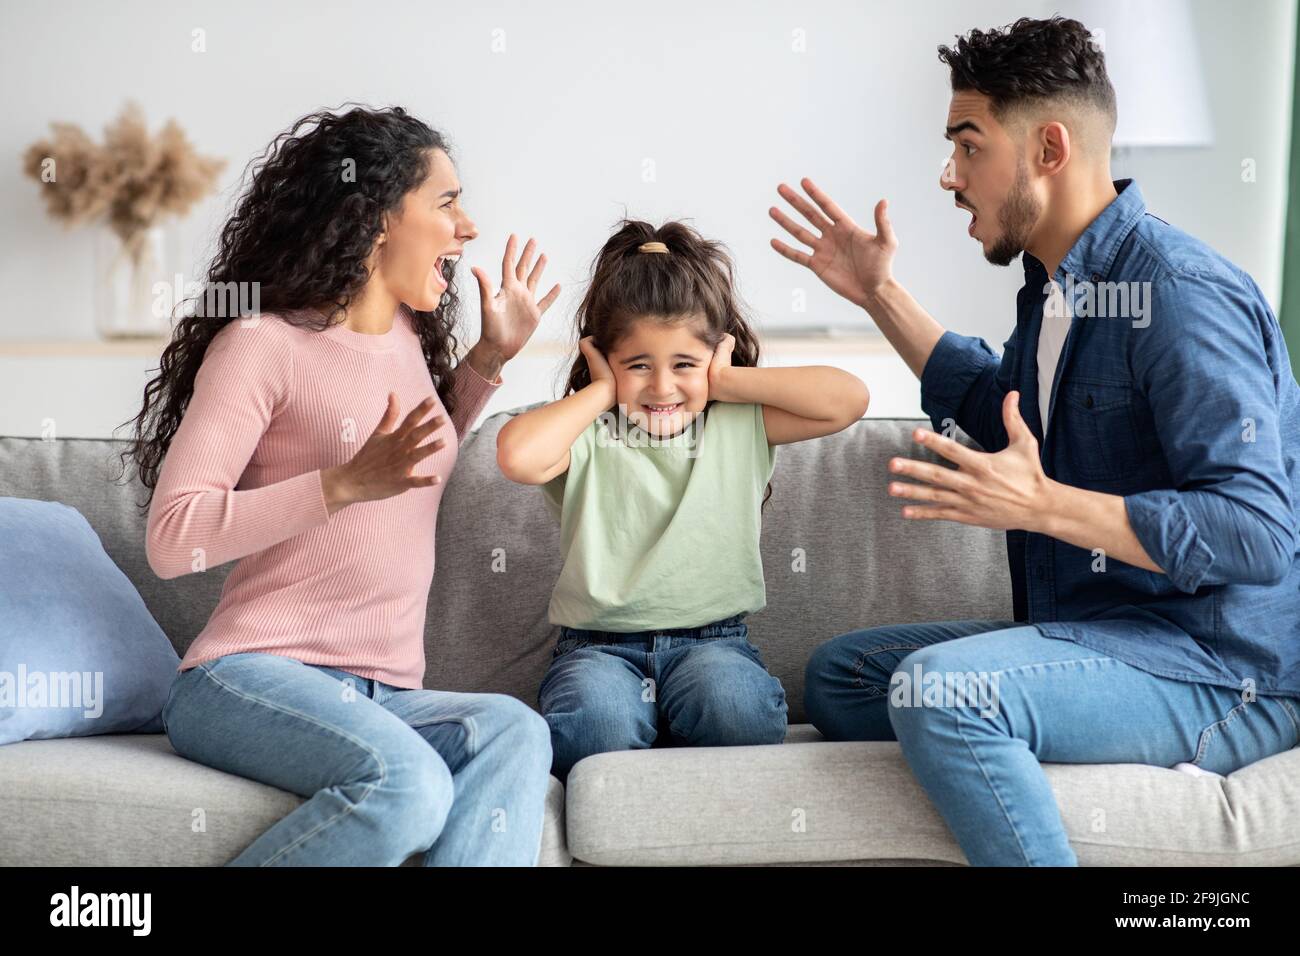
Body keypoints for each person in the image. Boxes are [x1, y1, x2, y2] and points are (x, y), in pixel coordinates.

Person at [771, 17, 1300, 865]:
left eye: (968, 147)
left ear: (1048, 147)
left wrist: (1047, 506)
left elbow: (1259, 534)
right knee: (842, 676)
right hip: (1103, 636)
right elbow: (996, 405)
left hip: (1221, 670)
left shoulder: (1181, 296)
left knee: (941, 694)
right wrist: (879, 295)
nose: (949, 177)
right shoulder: (1059, 293)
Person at [121, 105, 557, 866]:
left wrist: (488, 359)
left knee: (516, 730)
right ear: (379, 216)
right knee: (410, 784)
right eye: (448, 203)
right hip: (247, 677)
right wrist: (341, 484)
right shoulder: (262, 345)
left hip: (382, 691)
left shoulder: (406, 342)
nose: (469, 227)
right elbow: (172, 538)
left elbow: (413, 463)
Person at [496, 219, 871, 780]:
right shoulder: (589, 436)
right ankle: (649, 722)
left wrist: (724, 383)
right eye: (638, 366)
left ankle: (671, 720)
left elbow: (849, 399)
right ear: (604, 359)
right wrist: (600, 391)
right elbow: (516, 457)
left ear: (716, 356)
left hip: (712, 643)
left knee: (737, 715)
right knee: (595, 726)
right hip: (598, 649)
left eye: (684, 365)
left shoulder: (739, 425)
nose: (663, 387)